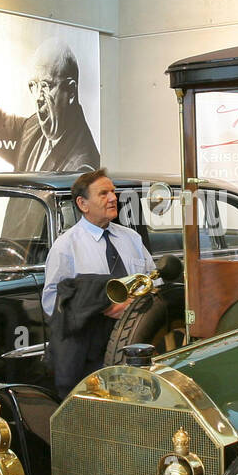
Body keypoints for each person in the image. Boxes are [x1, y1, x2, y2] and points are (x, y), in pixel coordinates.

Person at [42, 170, 155, 397]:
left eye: (113, 192)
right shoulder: (66, 246)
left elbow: (153, 278)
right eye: (103, 194)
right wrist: (97, 306)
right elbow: (52, 301)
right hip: (92, 354)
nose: (113, 198)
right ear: (83, 204)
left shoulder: (131, 238)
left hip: (137, 346)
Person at [0, 39, 100, 173]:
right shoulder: (33, 126)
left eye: (46, 86)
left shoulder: (83, 166)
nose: (38, 97)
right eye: (34, 85)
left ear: (70, 91)